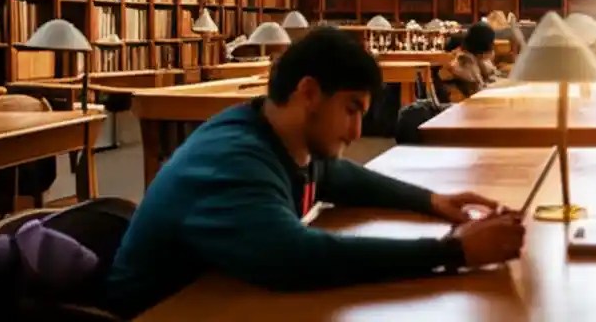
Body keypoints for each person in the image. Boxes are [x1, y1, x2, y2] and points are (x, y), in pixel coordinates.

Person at [102, 27, 525, 318]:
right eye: (351, 109)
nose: (359, 131)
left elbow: (336, 175)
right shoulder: (234, 160)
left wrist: (431, 200)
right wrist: (453, 253)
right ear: (308, 93)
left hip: (220, 295)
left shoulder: (273, 133)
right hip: (159, 312)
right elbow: (296, 258)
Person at [439, 22, 498, 98]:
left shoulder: (474, 58)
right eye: (491, 42)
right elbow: (478, 91)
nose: (493, 46)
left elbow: (491, 75)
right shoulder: (466, 62)